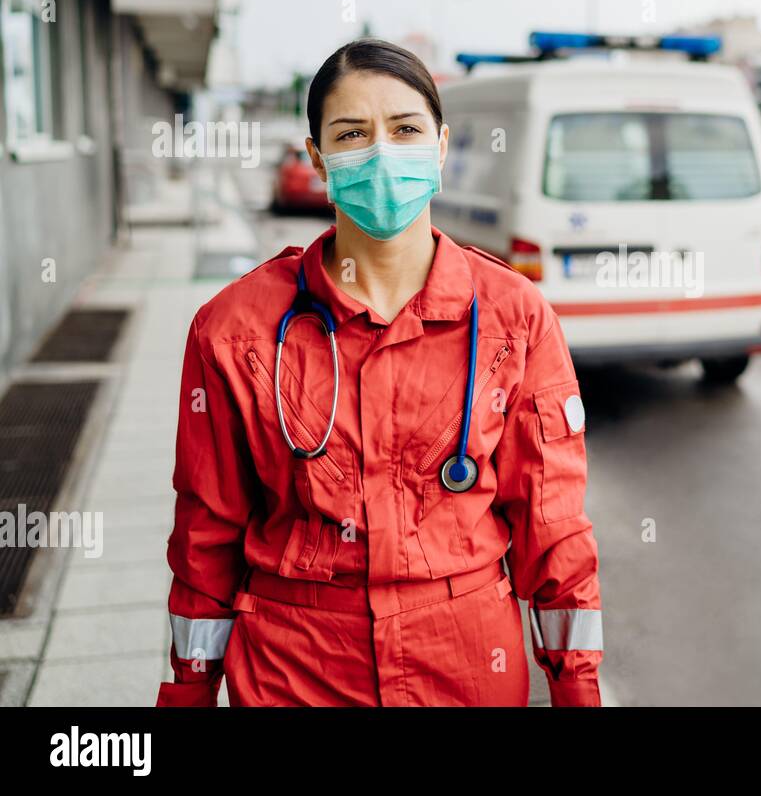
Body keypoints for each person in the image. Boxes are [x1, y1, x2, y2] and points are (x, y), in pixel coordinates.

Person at [156, 38, 602, 706]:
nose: (382, 154)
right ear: (317, 157)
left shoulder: (515, 317)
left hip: (466, 666)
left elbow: (553, 527)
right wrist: (189, 692)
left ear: (441, 146)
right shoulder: (235, 328)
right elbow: (206, 531)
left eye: (405, 130)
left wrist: (578, 689)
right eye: (352, 134)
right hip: (294, 672)